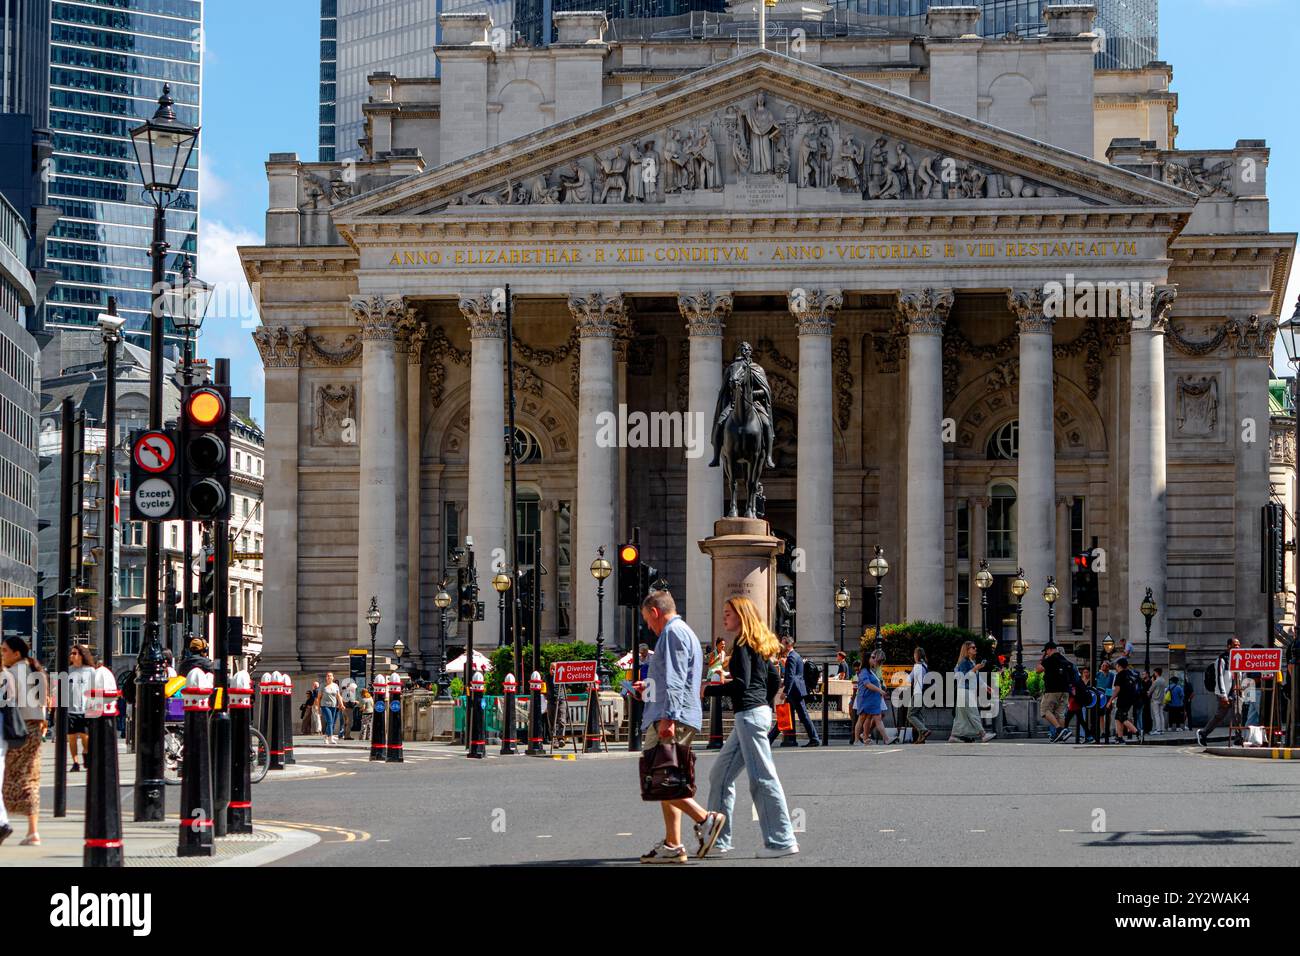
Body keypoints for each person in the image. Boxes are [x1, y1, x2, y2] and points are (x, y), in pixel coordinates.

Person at [703, 596, 799, 858]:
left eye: (728, 613)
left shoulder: (744, 645)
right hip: (755, 714)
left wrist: (710, 688)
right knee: (719, 776)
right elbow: (773, 678)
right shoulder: (759, 644)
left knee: (762, 778)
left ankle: (781, 840)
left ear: (742, 616)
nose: (724, 617)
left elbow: (742, 685)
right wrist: (764, 704)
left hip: (749, 716)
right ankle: (719, 842)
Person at [633, 589, 720, 864]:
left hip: (671, 717)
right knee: (668, 778)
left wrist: (668, 718)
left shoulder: (671, 633)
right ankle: (673, 844)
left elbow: (676, 678)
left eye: (648, 619)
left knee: (659, 778)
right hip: (677, 713)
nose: (649, 626)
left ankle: (705, 819)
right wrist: (647, 688)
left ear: (655, 612)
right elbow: (675, 678)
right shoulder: (685, 632)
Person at [1, 636, 47, 845]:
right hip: (36, 728)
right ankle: (32, 830)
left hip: (18, 731)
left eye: (5, 651)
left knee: (11, 778)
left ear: (16, 653)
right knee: (31, 778)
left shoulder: (10, 674)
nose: (3, 654)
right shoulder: (37, 671)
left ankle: (5, 822)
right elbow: (45, 701)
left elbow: (8, 704)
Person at [767, 635, 821, 748]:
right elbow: (795, 675)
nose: (781, 646)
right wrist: (784, 683)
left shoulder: (791, 657)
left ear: (788, 645)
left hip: (794, 691)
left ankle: (814, 738)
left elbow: (791, 676)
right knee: (785, 715)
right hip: (796, 690)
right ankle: (769, 739)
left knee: (802, 716)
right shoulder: (797, 655)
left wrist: (785, 691)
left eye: (783, 643)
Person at [1197, 637, 1241, 747]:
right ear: (1228, 646)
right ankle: (1203, 733)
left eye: (1239, 645)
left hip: (1236, 692)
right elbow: (1219, 678)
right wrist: (1223, 695)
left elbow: (1240, 676)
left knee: (1237, 714)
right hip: (1225, 693)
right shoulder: (1221, 660)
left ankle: (1238, 737)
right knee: (1219, 716)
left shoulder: (1239, 659)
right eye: (1235, 645)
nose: (1237, 647)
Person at [950, 640, 995, 743]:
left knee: (961, 716)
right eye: (973, 648)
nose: (975, 649)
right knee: (973, 712)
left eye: (975, 647)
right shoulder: (964, 662)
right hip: (965, 691)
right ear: (967, 650)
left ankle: (953, 736)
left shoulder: (970, 662)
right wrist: (974, 669)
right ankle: (983, 734)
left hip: (966, 691)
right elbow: (963, 678)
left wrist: (985, 686)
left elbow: (976, 678)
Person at [66, 644, 96, 772]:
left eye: (75, 653)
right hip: (70, 709)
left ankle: (86, 753)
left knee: (85, 737)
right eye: (71, 653)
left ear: (82, 655)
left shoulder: (90, 671)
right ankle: (75, 762)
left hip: (85, 709)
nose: (72, 655)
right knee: (71, 738)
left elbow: (94, 689)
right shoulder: (68, 670)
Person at [854, 649, 889, 744]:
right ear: (868, 659)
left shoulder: (870, 671)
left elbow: (876, 682)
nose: (874, 659)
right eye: (872, 657)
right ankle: (857, 741)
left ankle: (868, 738)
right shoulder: (864, 671)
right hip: (865, 698)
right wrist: (880, 691)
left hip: (872, 698)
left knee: (872, 718)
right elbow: (867, 684)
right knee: (862, 719)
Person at [1110, 658, 1144, 743]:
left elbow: (1117, 689)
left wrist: (1110, 700)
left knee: (1122, 718)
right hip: (1130, 699)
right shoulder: (1129, 673)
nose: (1116, 667)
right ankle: (1120, 737)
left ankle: (1138, 732)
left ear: (1118, 665)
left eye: (1116, 665)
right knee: (1118, 717)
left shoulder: (1119, 675)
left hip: (1122, 699)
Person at [904, 646, 931, 744]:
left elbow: (908, 680)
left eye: (914, 654)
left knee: (910, 715)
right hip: (924, 693)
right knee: (919, 715)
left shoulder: (917, 666)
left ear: (916, 655)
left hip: (917, 693)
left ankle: (924, 730)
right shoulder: (925, 665)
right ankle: (921, 738)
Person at [319, 672, 343, 745]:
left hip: (333, 705)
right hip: (325, 705)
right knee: (329, 721)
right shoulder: (323, 685)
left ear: (333, 677)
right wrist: (318, 707)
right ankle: (330, 737)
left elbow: (338, 695)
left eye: (330, 676)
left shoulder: (335, 685)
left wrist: (341, 704)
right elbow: (319, 697)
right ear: (326, 677)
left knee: (332, 722)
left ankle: (326, 736)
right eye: (327, 676)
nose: (329, 677)